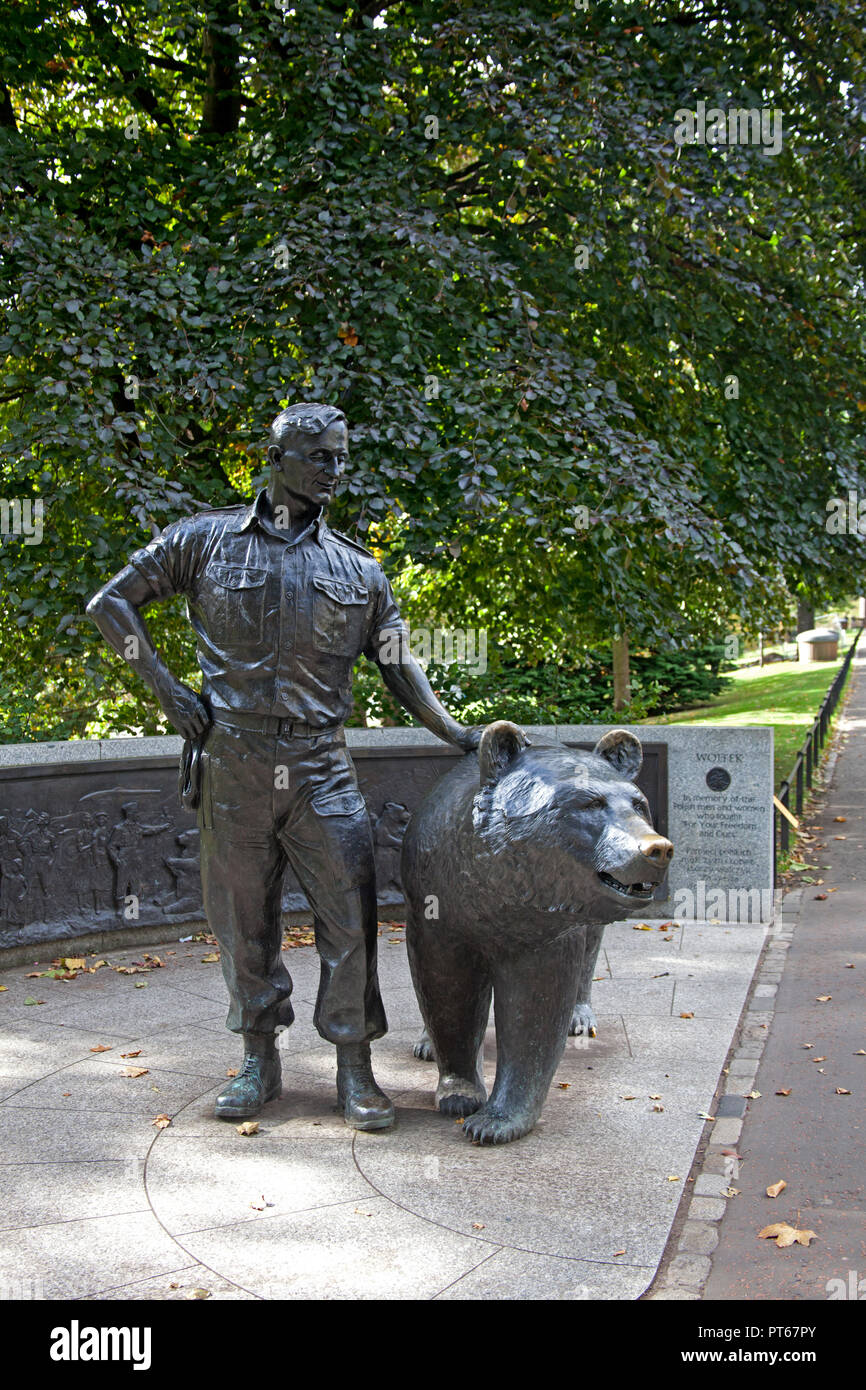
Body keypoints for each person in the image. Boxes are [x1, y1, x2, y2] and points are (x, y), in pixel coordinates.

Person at [87, 402, 480, 1130]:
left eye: (341, 457)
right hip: (231, 757)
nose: (335, 471)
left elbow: (399, 663)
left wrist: (457, 732)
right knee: (242, 920)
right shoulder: (201, 541)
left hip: (321, 763)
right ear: (277, 457)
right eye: (321, 456)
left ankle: (354, 1068)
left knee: (350, 919)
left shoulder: (357, 570)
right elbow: (110, 605)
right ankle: (256, 1059)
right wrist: (169, 692)